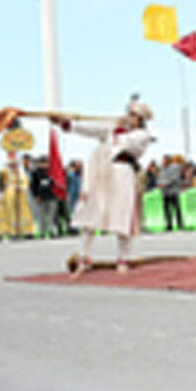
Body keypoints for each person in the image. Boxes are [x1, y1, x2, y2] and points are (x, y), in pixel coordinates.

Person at [56, 99, 153, 275]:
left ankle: (123, 258)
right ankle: (84, 257)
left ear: (141, 119)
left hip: (122, 173)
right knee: (90, 213)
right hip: (101, 172)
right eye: (128, 113)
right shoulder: (113, 130)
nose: (129, 117)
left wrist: (117, 128)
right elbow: (92, 129)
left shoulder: (141, 135)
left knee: (121, 215)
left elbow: (127, 143)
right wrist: (68, 125)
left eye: (133, 115)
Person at [2, 157, 34, 239]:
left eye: (14, 165)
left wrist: (20, 187)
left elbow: (26, 184)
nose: (13, 167)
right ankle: (13, 232)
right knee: (12, 213)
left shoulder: (22, 174)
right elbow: (5, 184)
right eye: (11, 165)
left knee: (24, 213)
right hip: (11, 196)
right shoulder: (7, 174)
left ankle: (27, 231)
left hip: (21, 196)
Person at [28, 155, 59, 239]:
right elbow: (33, 186)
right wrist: (36, 196)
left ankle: (52, 231)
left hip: (52, 196)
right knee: (41, 215)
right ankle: (42, 232)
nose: (45, 165)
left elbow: (56, 183)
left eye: (46, 162)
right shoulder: (35, 173)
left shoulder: (53, 172)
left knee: (52, 215)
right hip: (41, 197)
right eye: (43, 163)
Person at [157, 156, 184, 231]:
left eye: (164, 160)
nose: (163, 162)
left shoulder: (175, 168)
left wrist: (164, 184)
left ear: (168, 161)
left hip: (173, 191)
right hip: (165, 192)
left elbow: (174, 178)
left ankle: (180, 224)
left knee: (176, 208)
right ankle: (169, 225)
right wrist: (159, 183)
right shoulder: (163, 169)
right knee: (166, 209)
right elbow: (160, 178)